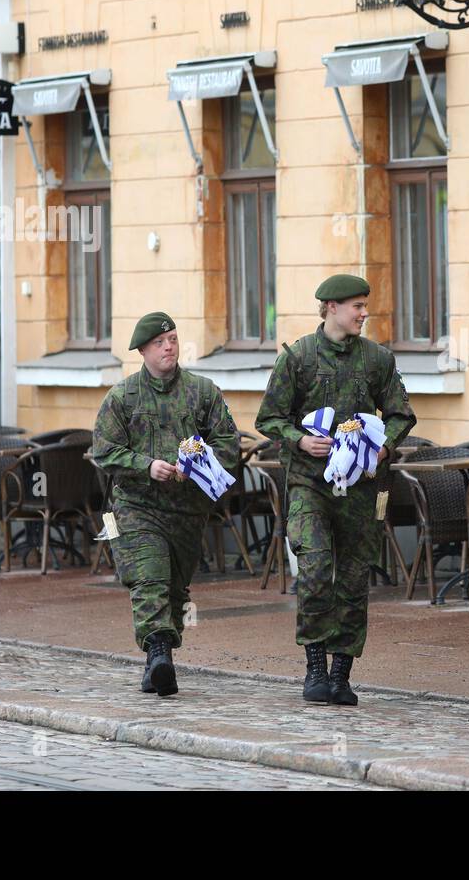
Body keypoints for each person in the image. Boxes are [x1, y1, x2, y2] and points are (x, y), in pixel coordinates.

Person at [256, 274, 416, 706]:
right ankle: (314, 667)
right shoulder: (298, 358)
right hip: (310, 484)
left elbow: (402, 414)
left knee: (352, 579)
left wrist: (382, 449)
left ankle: (341, 672)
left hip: (360, 487)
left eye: (365, 305)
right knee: (313, 571)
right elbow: (269, 418)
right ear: (330, 307)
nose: (364, 313)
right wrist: (299, 440)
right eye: (356, 306)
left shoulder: (377, 359)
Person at [91, 311, 240, 698]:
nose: (169, 347)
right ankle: (158, 651)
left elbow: (228, 443)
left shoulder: (202, 392)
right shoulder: (122, 398)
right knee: (149, 577)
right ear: (142, 350)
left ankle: (158, 662)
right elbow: (104, 452)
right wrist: (145, 465)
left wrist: (201, 464)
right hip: (136, 506)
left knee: (175, 589)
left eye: (173, 339)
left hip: (187, 511)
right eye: (160, 342)